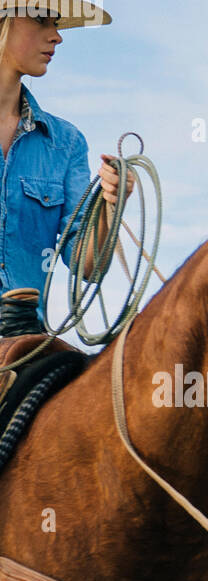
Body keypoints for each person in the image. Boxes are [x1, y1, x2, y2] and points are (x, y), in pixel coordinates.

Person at [0, 2, 125, 334]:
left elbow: (88, 266)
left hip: (24, 344)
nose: (56, 37)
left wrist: (110, 205)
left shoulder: (66, 143)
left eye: (55, 23)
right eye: (41, 20)